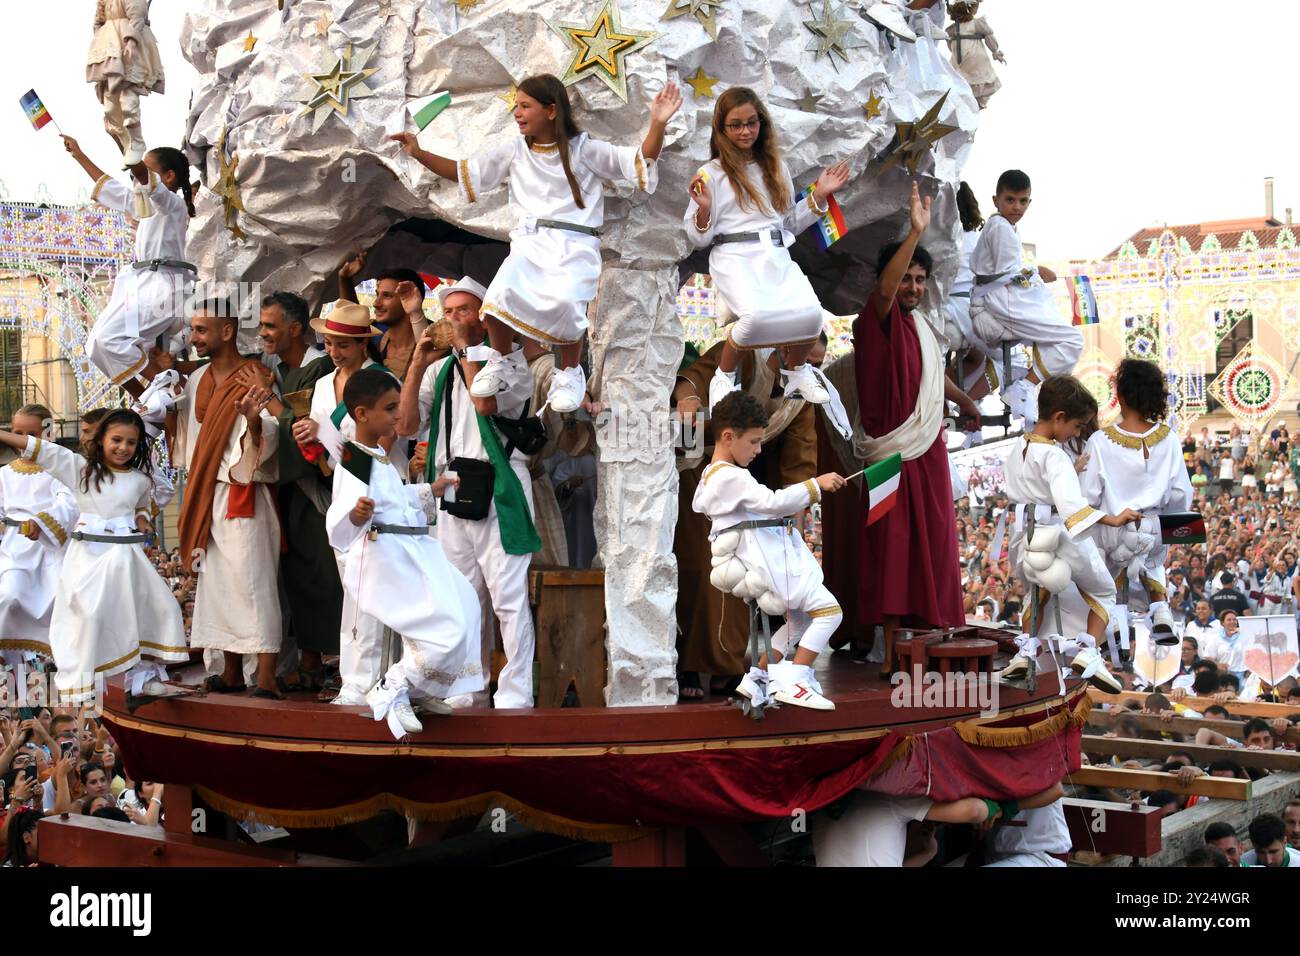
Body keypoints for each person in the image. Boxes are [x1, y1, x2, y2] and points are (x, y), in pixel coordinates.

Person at [390, 74, 680, 413]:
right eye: (516, 106)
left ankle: (569, 372)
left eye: (526, 105)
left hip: (574, 245)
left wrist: (658, 123)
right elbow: (466, 171)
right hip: (529, 243)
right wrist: (418, 152)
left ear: (552, 110)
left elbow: (638, 160)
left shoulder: (584, 149)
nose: (517, 112)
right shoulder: (514, 151)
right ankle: (502, 361)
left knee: (566, 306)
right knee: (498, 300)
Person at [853, 183, 980, 672]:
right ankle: (888, 651)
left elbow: (933, 376)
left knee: (931, 547)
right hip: (887, 458)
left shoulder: (921, 326)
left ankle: (924, 648)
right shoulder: (875, 318)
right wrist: (916, 230)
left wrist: (966, 399)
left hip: (927, 454)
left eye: (920, 279)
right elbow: (884, 291)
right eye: (906, 278)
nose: (912, 287)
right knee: (891, 549)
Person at [396, 277, 540, 709]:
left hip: (500, 490)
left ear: (486, 317)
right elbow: (404, 427)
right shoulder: (440, 371)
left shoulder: (510, 365)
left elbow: (484, 404)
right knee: (462, 598)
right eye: (450, 311)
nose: (454, 318)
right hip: (452, 492)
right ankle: (469, 687)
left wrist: (463, 349)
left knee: (508, 600)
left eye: (464, 310)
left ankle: (515, 694)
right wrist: (418, 364)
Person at [325, 368, 484, 735]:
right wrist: (355, 513)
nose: (399, 415)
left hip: (411, 551)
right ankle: (394, 684)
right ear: (362, 413)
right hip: (389, 558)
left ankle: (421, 686)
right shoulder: (355, 458)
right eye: (390, 407)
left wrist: (432, 488)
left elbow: (394, 500)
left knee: (466, 606)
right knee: (445, 624)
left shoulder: (378, 456)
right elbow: (340, 517)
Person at [672, 335, 824, 697]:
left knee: (745, 574)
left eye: (817, 363)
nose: (813, 368)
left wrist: (795, 527)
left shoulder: (803, 390)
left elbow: (799, 460)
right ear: (786, 347)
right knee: (697, 568)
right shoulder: (743, 354)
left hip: (752, 486)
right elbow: (691, 380)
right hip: (701, 470)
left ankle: (726, 665)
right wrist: (689, 399)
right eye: (809, 358)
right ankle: (687, 665)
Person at [0, 412, 187, 703]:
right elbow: (41, 449)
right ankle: (80, 684)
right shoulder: (80, 470)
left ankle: (142, 678)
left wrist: (142, 520)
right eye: (116, 440)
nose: (123, 447)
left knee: (162, 610)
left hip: (127, 558)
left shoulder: (139, 479)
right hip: (90, 557)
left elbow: (140, 505)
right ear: (100, 441)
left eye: (130, 443)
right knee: (90, 617)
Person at [685, 87, 850, 408]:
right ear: (722, 128)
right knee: (756, 319)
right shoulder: (711, 173)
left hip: (774, 255)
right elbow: (697, 238)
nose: (745, 131)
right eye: (735, 124)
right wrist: (704, 208)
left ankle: (797, 372)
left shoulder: (776, 167)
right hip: (734, 257)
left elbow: (787, 225)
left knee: (812, 316)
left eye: (751, 122)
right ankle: (723, 376)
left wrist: (820, 195)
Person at [693, 393, 845, 709]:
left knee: (800, 622)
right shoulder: (732, 477)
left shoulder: (712, 476)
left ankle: (758, 678)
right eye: (754, 442)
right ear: (727, 436)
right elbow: (772, 502)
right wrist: (815, 486)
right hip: (773, 563)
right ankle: (796, 679)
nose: (759, 450)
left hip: (765, 560)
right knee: (831, 613)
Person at [998, 376, 1141, 691]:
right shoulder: (1055, 455)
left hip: (1024, 536)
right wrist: (1114, 519)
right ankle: (1089, 652)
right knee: (1104, 591)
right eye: (1077, 426)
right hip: (1055, 535)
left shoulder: (1019, 448)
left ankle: (1024, 653)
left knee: (1039, 593)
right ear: (1059, 417)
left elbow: (1034, 488)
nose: (1077, 434)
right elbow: (1072, 509)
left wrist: (1069, 472)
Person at [173, 299, 282, 698]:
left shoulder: (255, 374)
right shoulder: (195, 377)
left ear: (227, 331)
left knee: (254, 583)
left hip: (243, 490)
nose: (194, 337)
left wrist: (254, 420)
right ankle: (232, 671)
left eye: (201, 330)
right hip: (206, 493)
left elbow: (273, 427)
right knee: (217, 584)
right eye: (192, 329)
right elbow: (186, 437)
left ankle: (266, 676)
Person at [60, 135, 195, 396]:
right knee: (96, 345)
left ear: (168, 177)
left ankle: (169, 387)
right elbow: (112, 189)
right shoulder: (143, 207)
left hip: (163, 286)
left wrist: (130, 148)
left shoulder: (173, 205)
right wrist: (79, 154)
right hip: (139, 283)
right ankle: (142, 399)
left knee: (111, 340)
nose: (137, 179)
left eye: (144, 172)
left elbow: (147, 182)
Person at [258, 292, 341, 693]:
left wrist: (272, 403)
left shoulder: (319, 368)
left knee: (322, 576)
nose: (263, 334)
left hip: (317, 491)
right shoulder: (281, 370)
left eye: (270, 326)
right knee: (301, 578)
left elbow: (308, 429)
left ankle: (322, 664)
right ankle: (307, 662)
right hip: (290, 493)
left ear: (295, 329)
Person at [1081, 359, 1192, 644]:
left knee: (1112, 568)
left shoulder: (1100, 441)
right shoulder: (1169, 439)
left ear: (1122, 396)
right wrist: (1169, 522)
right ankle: (1160, 608)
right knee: (1152, 559)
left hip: (1114, 528)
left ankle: (1115, 622)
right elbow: (1180, 493)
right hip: (1154, 527)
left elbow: (1089, 496)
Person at [967, 169, 1081, 425]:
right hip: (999, 300)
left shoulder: (1004, 226)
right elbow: (1009, 274)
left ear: (1029, 202)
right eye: (1010, 200)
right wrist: (1035, 270)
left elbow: (1008, 271)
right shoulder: (999, 227)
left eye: (1022, 201)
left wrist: (1033, 271)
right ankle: (1023, 388)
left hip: (1000, 297)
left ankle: (1027, 388)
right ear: (996, 200)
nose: (1016, 207)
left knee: (1060, 337)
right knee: (1072, 340)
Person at [0, 405, 79, 678]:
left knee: (61, 604)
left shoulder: (59, 469)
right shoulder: (4, 474)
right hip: (15, 549)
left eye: (30, 433)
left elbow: (68, 504)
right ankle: (13, 665)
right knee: (9, 597)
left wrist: (42, 522)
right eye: (17, 433)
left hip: (50, 548)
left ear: (47, 432)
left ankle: (62, 666)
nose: (23, 440)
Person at [337, 258, 429, 382]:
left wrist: (415, 312)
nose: (376, 303)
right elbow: (352, 317)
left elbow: (429, 350)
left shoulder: (433, 336)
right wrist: (345, 280)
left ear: (412, 297)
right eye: (377, 294)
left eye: (387, 296)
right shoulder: (376, 334)